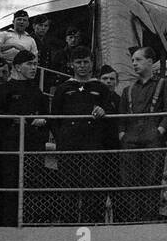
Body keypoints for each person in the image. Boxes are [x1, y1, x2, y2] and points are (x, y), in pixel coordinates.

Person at [49, 45, 117, 223]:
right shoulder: (64, 88)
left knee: (92, 184)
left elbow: (110, 109)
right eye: (78, 62)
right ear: (72, 64)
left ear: (91, 63)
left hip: (92, 144)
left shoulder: (100, 88)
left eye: (86, 62)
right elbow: (54, 117)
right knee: (68, 185)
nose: (82, 66)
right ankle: (68, 223)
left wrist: (103, 110)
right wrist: (60, 139)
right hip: (68, 144)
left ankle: (92, 223)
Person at [117, 46, 167, 221]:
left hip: (153, 139)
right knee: (130, 183)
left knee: (151, 182)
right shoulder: (128, 90)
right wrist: (122, 134)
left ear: (150, 62)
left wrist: (160, 131)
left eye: (138, 59)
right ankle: (134, 220)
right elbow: (121, 117)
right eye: (133, 60)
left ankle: (148, 219)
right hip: (130, 139)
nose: (134, 63)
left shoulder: (165, 85)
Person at [0, 51, 48, 226]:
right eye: (29, 64)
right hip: (10, 145)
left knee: (32, 183)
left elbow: (47, 114)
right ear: (17, 67)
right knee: (10, 185)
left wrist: (42, 121)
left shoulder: (36, 90)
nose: (34, 68)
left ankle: (30, 222)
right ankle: (8, 224)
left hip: (32, 145)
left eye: (35, 64)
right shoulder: (4, 89)